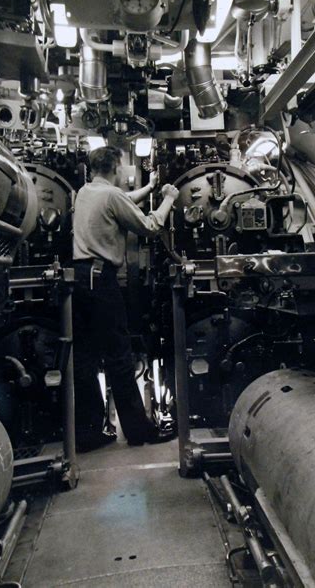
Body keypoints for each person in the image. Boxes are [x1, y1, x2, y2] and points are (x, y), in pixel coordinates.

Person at [72, 145, 179, 450]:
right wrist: (168, 198)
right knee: (119, 356)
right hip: (101, 281)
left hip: (79, 279)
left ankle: (89, 433)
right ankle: (139, 432)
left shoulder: (85, 192)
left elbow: (121, 203)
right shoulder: (111, 195)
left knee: (85, 359)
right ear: (114, 168)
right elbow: (149, 226)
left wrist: (149, 188)